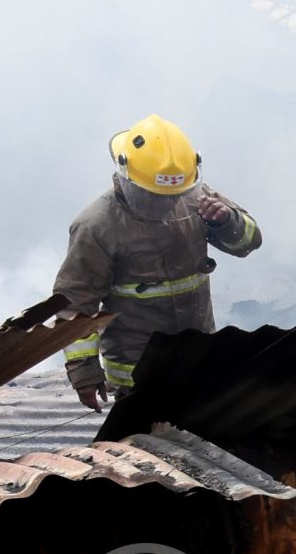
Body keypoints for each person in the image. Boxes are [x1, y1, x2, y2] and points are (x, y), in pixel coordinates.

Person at [53, 115, 262, 409]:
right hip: (136, 378)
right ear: (125, 174)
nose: (166, 203)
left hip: (197, 362)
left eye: (173, 195)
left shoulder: (194, 195)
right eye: (152, 196)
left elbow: (248, 243)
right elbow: (75, 305)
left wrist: (226, 221)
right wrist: (84, 373)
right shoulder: (96, 227)